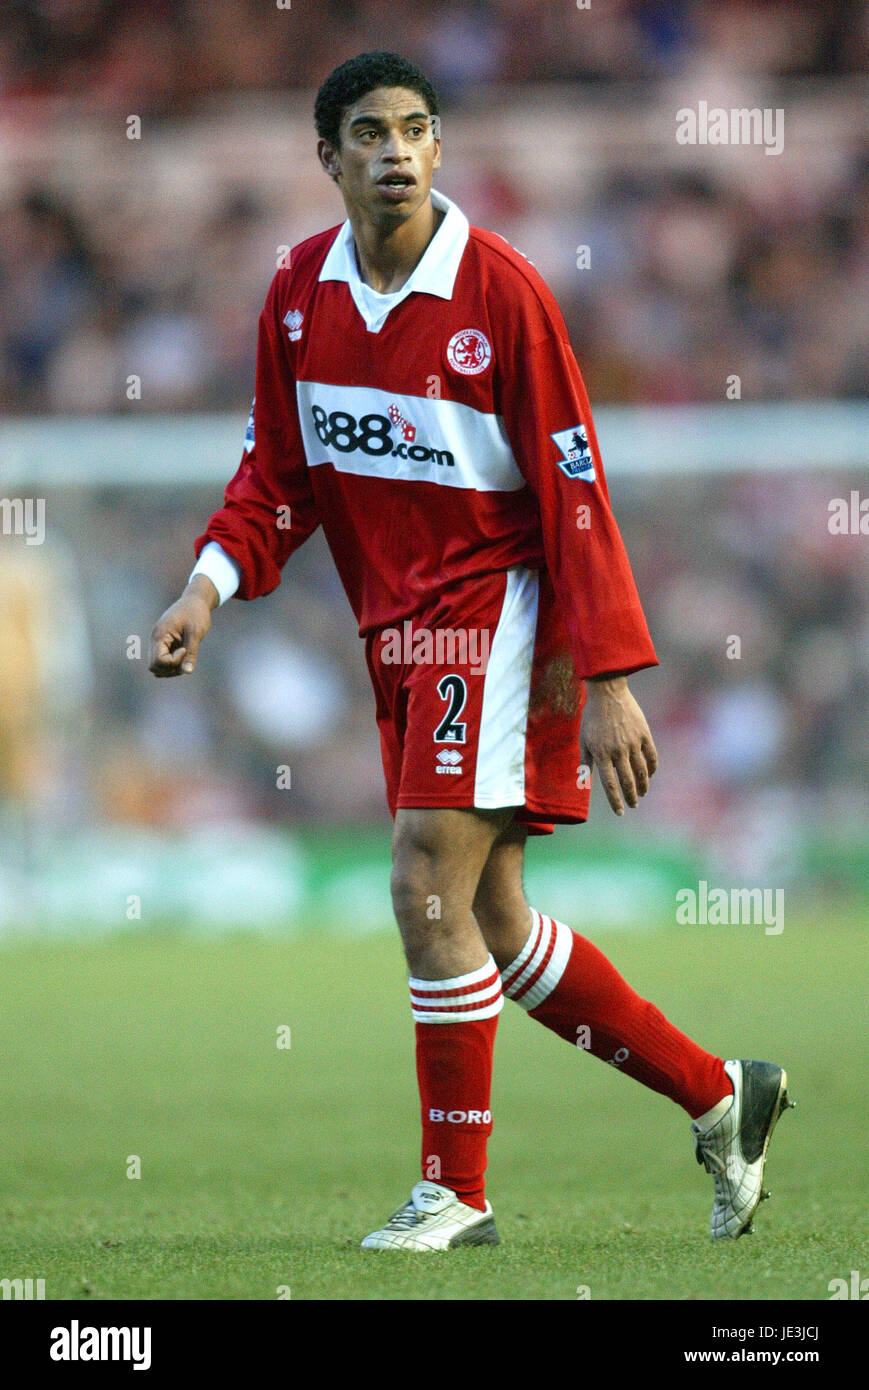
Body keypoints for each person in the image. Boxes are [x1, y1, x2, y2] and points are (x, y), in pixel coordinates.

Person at [149, 51, 792, 1251]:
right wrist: (207, 584)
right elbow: (276, 479)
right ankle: (720, 1092)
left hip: (498, 618)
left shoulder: (501, 293)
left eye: (415, 129)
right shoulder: (297, 291)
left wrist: (604, 676)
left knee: (419, 882)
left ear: (439, 148)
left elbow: (574, 492)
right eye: (369, 133)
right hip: (396, 637)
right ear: (326, 158)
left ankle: (455, 1192)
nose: (395, 151)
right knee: (490, 918)